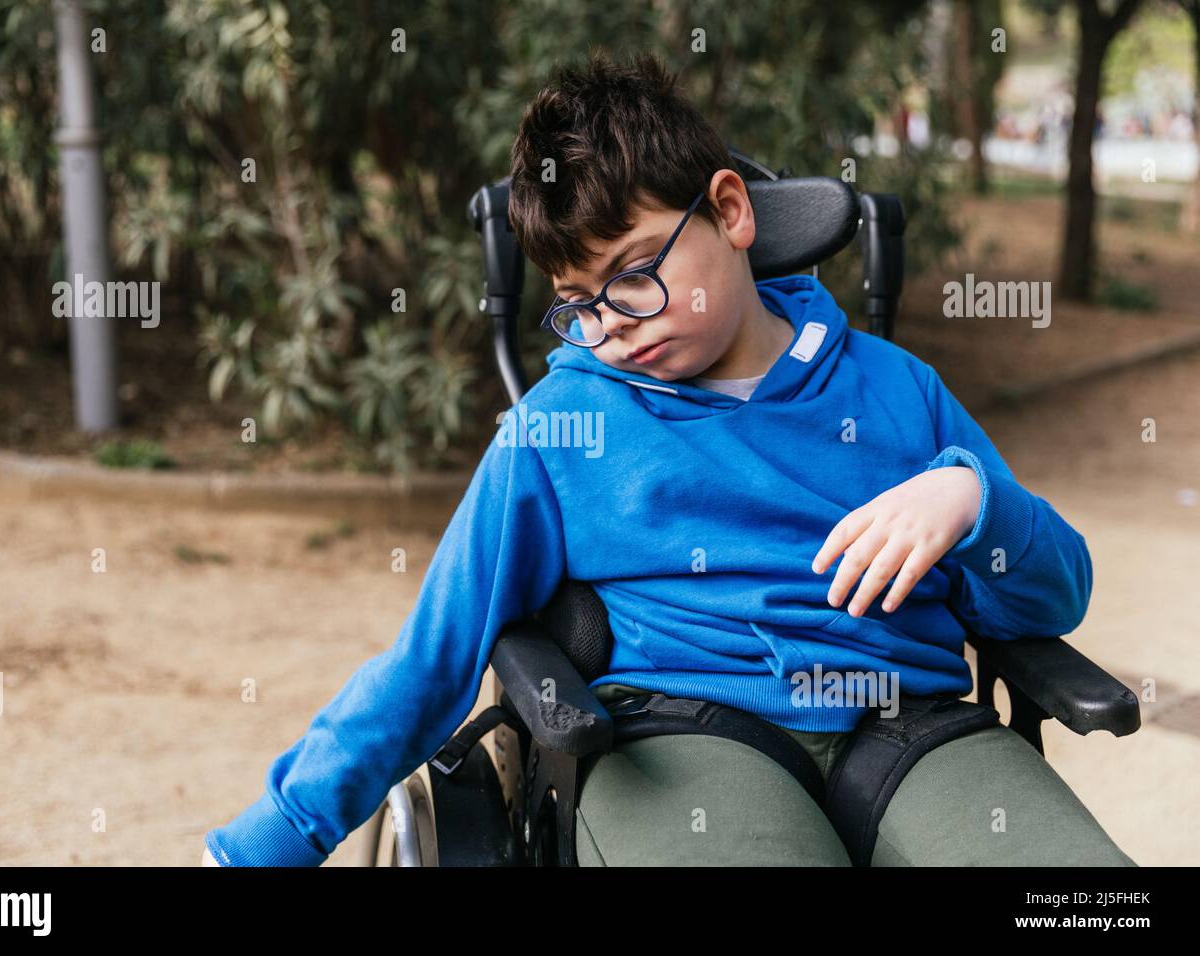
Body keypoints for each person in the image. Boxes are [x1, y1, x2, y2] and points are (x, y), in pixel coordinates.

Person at [203, 51, 1135, 867]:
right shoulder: (560, 428)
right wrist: (274, 836)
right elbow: (434, 652)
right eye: (582, 301)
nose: (615, 327)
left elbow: (1057, 595)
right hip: (691, 735)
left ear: (730, 210)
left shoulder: (898, 391)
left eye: (640, 271)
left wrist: (971, 502)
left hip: (915, 731)